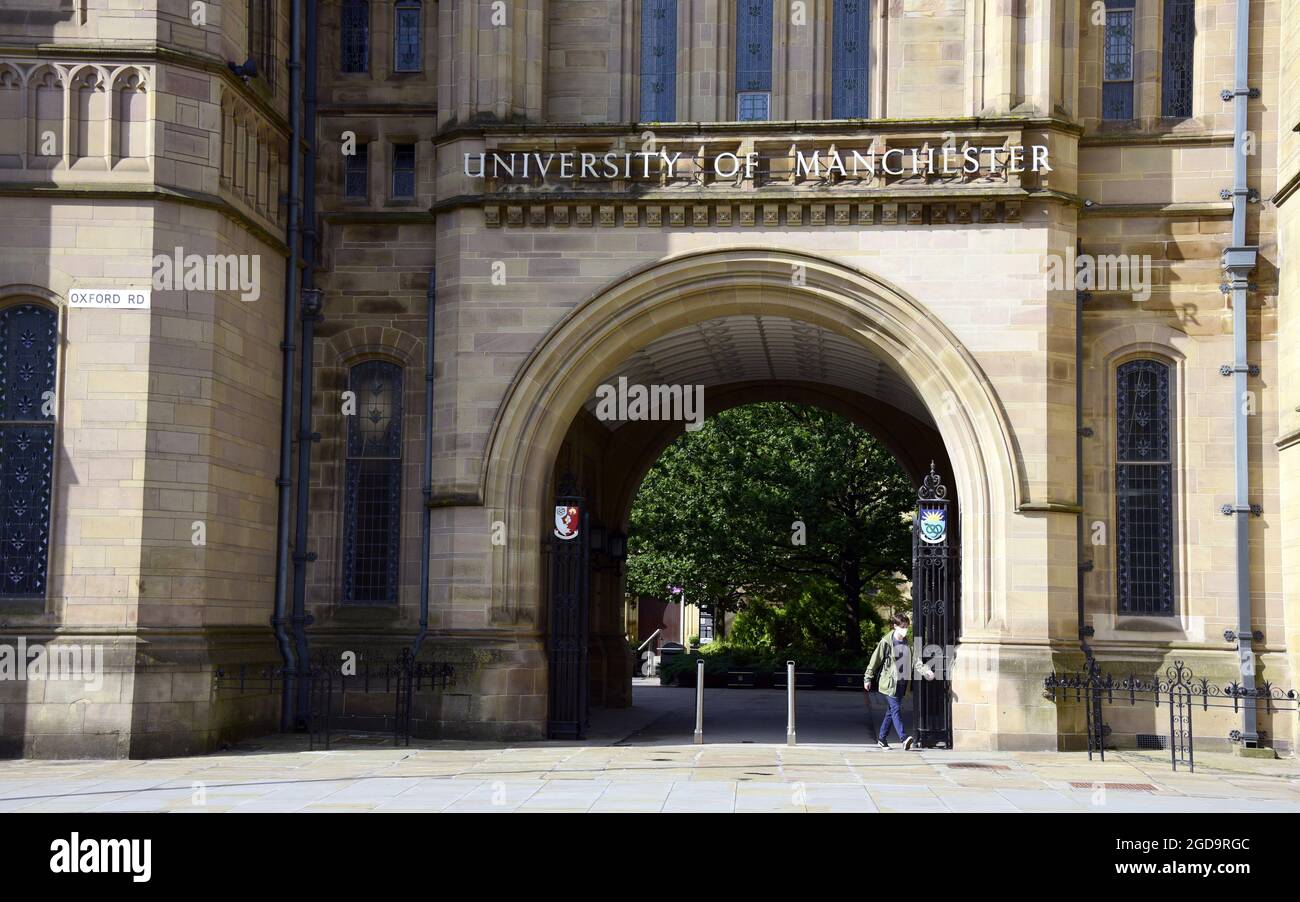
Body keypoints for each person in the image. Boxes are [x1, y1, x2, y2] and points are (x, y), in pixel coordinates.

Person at [863, 613, 934, 750]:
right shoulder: (886, 642)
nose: (905, 629)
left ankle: (882, 739)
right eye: (903, 626)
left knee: (890, 712)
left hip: (903, 683)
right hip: (890, 683)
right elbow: (874, 660)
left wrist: (926, 671)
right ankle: (904, 738)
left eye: (907, 626)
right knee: (895, 709)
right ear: (895, 626)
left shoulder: (909, 642)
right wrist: (868, 678)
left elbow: (916, 661)